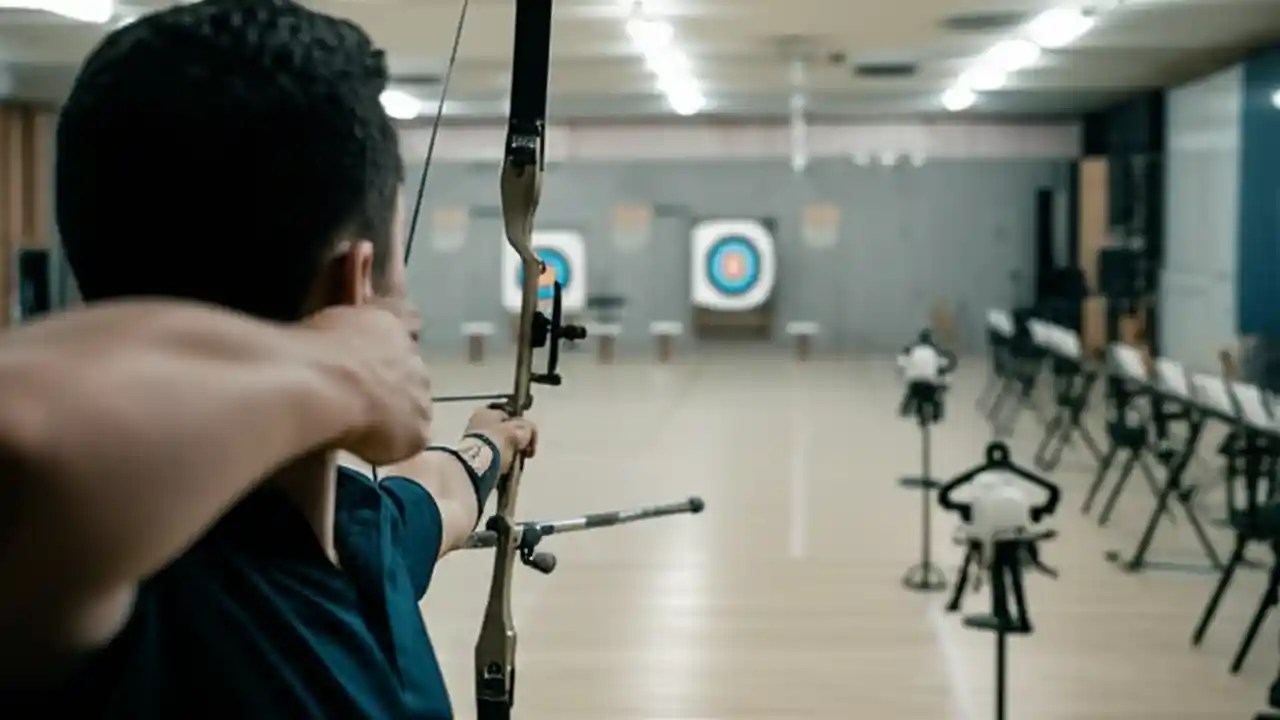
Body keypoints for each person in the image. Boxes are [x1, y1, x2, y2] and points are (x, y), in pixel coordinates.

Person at [0, 0, 535, 716]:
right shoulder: (113, 597)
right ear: (357, 278)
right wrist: (345, 370)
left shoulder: (362, 531)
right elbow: (28, 435)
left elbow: (441, 491)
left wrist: (488, 442)